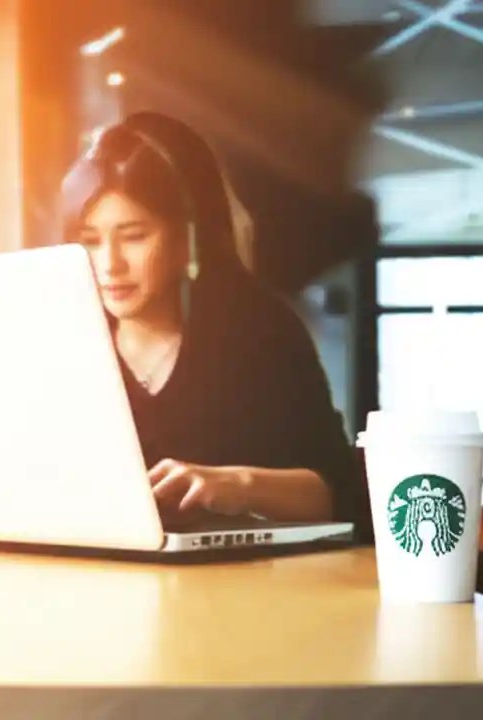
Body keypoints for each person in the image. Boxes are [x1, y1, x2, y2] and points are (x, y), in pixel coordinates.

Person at [59, 111, 358, 524]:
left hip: (239, 585)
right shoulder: (62, 338)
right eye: (90, 242)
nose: (109, 264)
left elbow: (341, 493)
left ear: (188, 236)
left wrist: (240, 484)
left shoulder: (260, 332)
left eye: (134, 236)